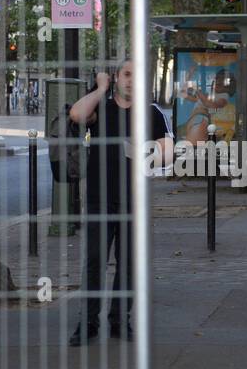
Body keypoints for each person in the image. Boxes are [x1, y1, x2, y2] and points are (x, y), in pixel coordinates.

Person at [69, 59, 172, 346]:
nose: (130, 80)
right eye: (126, 74)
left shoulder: (151, 113)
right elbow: (77, 115)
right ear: (116, 77)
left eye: (136, 76)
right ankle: (88, 322)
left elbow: (168, 153)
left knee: (128, 264)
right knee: (94, 262)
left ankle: (119, 320)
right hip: (100, 200)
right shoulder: (101, 107)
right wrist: (100, 89)